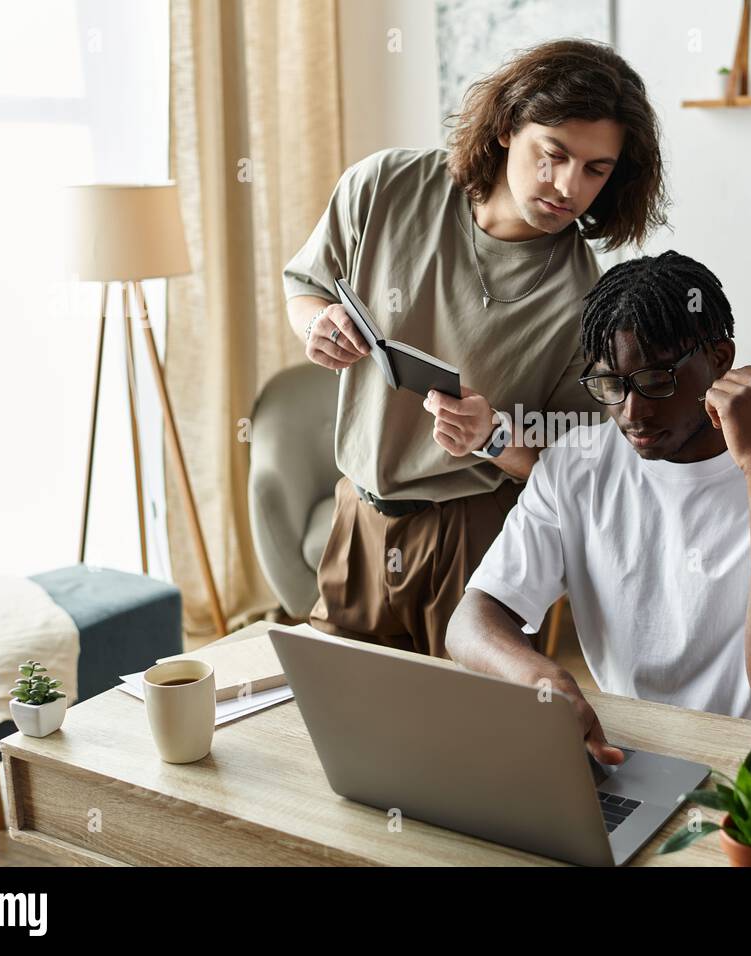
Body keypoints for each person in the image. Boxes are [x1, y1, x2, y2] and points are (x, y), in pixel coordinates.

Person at [281, 40, 667, 657]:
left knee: (474, 738)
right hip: (358, 509)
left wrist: (493, 436)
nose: (568, 186)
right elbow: (306, 286)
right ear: (510, 126)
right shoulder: (385, 184)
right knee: (336, 714)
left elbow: (568, 468)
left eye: (596, 169)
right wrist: (317, 325)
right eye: (555, 153)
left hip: (476, 532)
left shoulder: (590, 300)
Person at [446, 251, 751, 761]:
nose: (633, 411)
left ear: (720, 358)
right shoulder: (573, 468)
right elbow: (472, 621)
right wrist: (539, 675)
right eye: (611, 384)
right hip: (641, 754)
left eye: (656, 379)